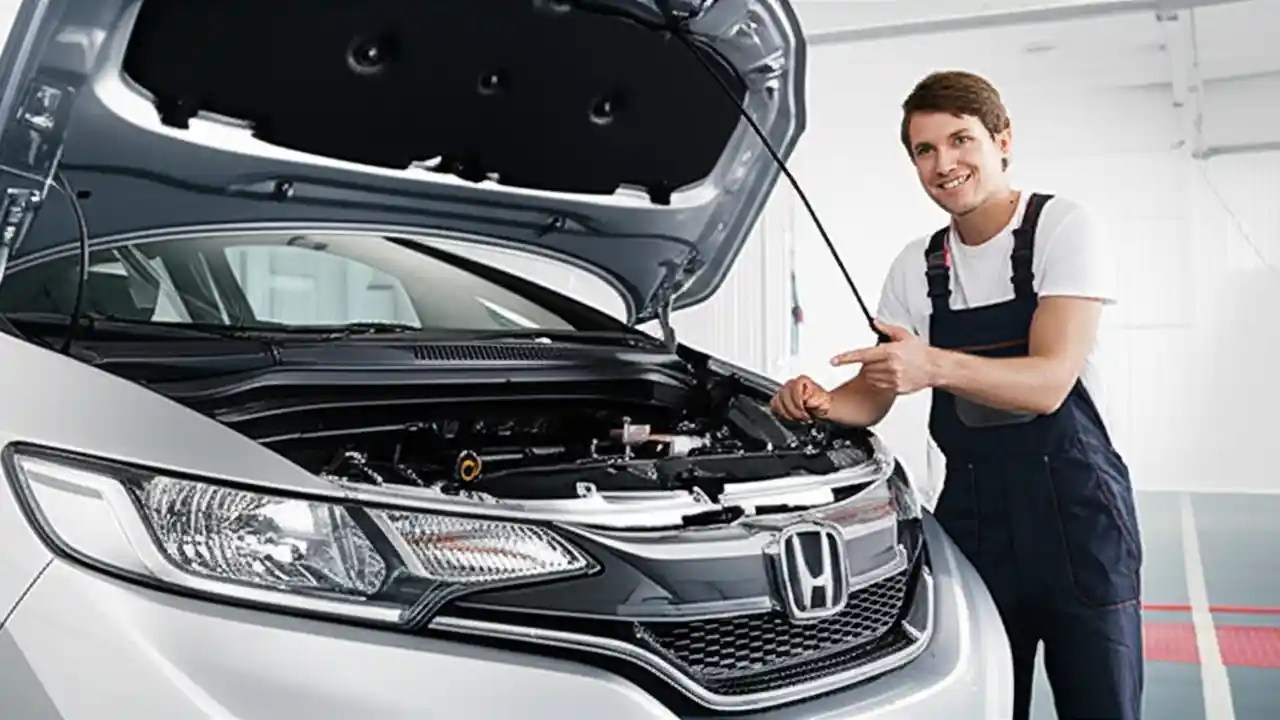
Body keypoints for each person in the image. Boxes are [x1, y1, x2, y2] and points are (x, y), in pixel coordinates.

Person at [770, 70, 1143, 719]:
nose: (944, 164)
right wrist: (819, 401)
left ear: (1002, 140)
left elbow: (1050, 382)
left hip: (1078, 519)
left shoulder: (1062, 228)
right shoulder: (917, 266)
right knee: (985, 704)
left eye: (960, 140)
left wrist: (933, 366)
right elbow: (873, 395)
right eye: (924, 150)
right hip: (975, 522)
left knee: (1102, 707)